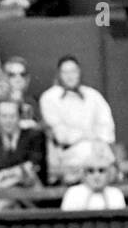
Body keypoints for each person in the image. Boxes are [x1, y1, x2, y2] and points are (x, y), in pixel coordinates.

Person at [40, 55, 116, 185]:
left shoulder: (93, 95)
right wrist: (89, 137)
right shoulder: (49, 98)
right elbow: (61, 135)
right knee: (88, 152)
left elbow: (106, 125)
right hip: (67, 153)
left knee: (106, 158)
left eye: (73, 71)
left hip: (99, 149)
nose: (70, 76)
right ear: (59, 75)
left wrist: (100, 141)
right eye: (65, 72)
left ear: (79, 73)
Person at [60, 145, 125, 211]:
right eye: (91, 171)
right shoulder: (73, 194)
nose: (96, 176)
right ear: (84, 174)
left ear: (109, 173)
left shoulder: (116, 194)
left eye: (101, 170)